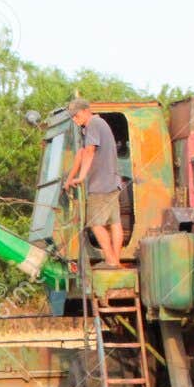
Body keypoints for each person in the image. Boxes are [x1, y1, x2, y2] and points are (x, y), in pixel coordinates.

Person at [62, 99, 124, 266]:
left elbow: (89, 152)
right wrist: (69, 178)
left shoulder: (94, 124)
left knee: (95, 224)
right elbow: (81, 154)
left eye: (76, 116)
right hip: (112, 182)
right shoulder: (93, 126)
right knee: (114, 222)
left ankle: (111, 261)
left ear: (84, 111)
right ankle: (115, 262)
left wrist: (81, 177)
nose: (75, 120)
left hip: (100, 185)